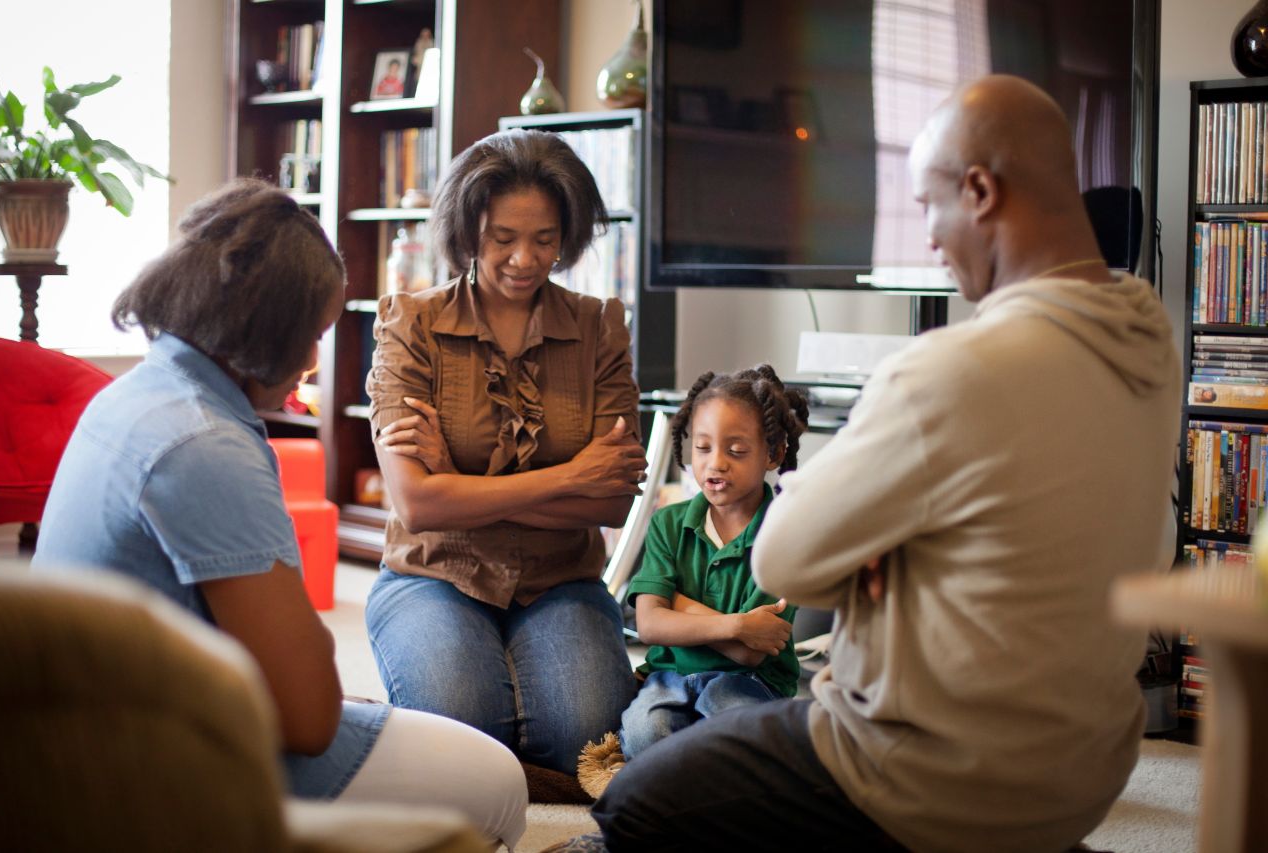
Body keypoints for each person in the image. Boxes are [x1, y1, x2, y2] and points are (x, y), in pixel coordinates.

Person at [590, 75, 1181, 852]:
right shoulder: (1150, 343)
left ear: (980, 192)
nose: (928, 239)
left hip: (921, 773)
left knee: (630, 805)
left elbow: (782, 555)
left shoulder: (949, 371)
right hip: (1085, 772)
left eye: (928, 205)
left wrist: (876, 546)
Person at [33, 178, 527, 849]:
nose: (313, 361)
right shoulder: (204, 445)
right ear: (266, 325)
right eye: (313, 335)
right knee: (497, 780)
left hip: (86, 736)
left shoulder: (135, 394)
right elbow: (308, 718)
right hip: (159, 764)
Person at [364, 129, 644, 778]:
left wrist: (455, 483)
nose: (525, 259)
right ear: (468, 232)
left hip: (560, 578)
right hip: (434, 573)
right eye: (503, 238)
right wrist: (571, 475)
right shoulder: (411, 324)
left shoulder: (599, 326)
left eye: (545, 239)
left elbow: (611, 500)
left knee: (586, 739)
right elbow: (418, 505)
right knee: (463, 736)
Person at [577, 364, 809, 798]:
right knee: (645, 733)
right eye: (702, 448)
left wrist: (677, 605)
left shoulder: (783, 533)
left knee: (728, 722)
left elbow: (749, 654)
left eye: (736, 450)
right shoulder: (668, 524)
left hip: (750, 683)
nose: (714, 463)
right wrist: (737, 624)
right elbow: (650, 626)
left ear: (773, 454)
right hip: (668, 676)